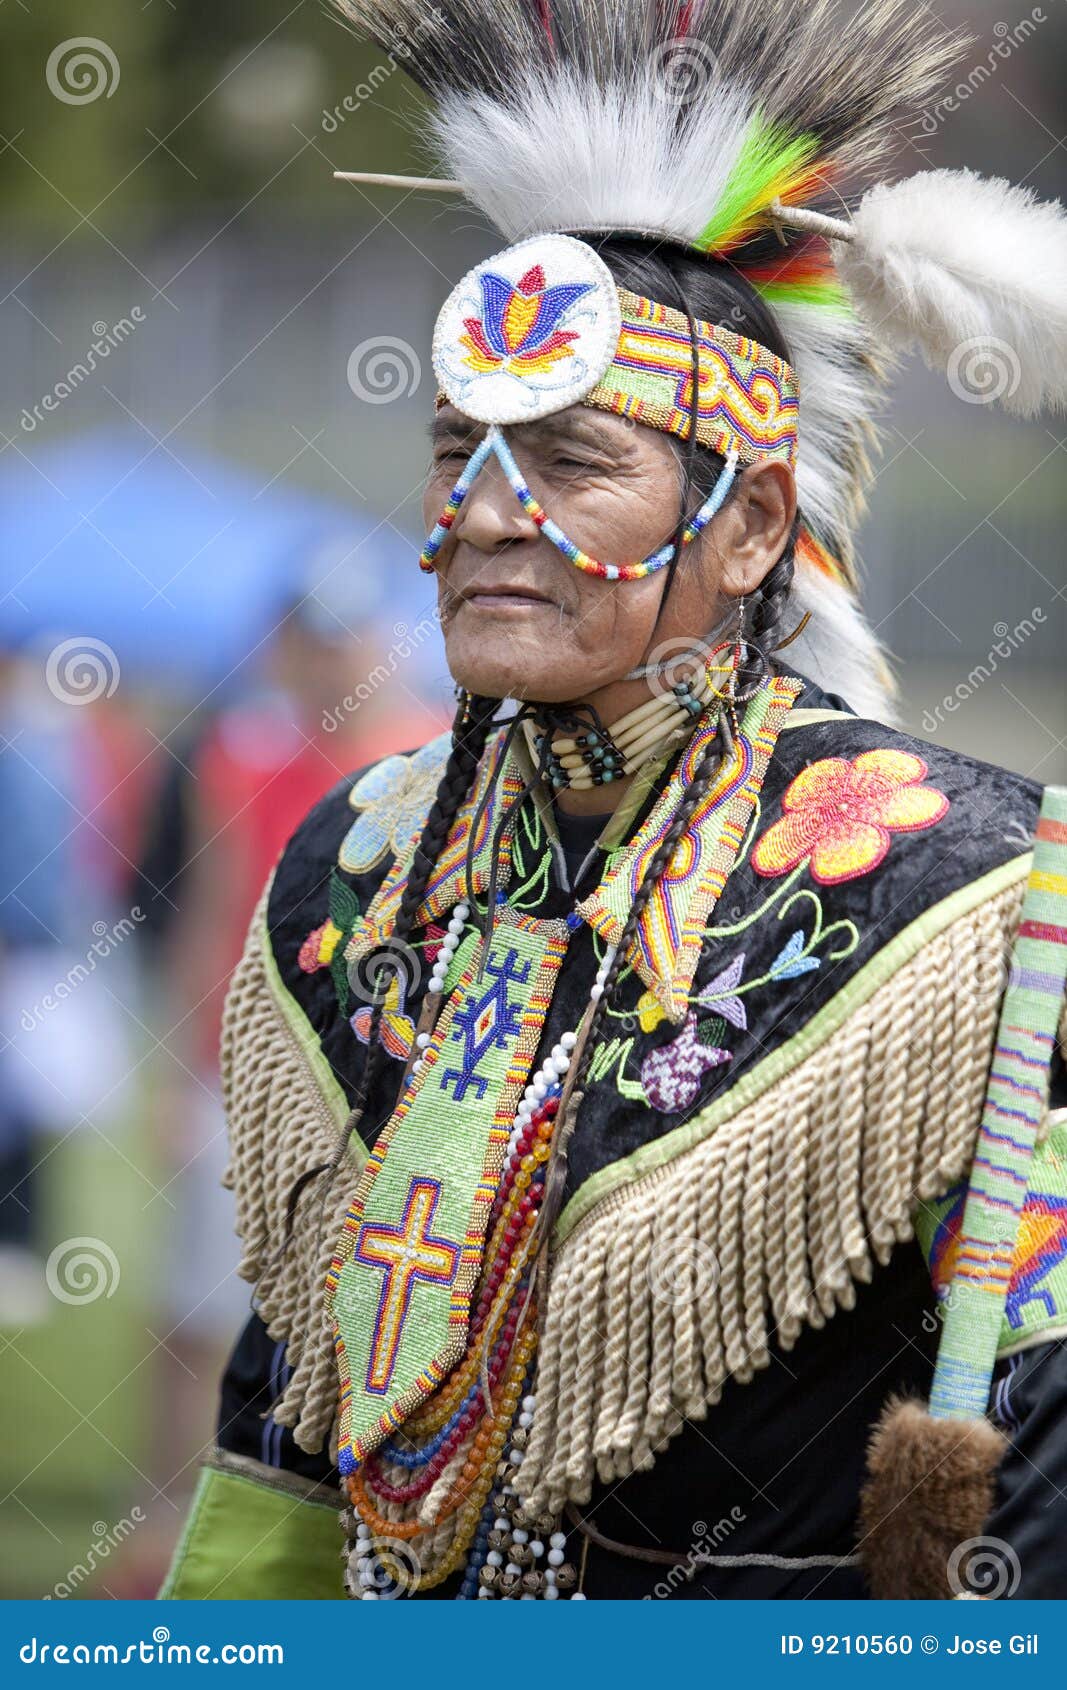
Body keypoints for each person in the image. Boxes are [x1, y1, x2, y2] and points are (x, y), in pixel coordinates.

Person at [160, 0, 1067, 1601]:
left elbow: (1041, 1434)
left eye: (570, 461)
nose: (486, 512)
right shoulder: (359, 868)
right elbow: (295, 1402)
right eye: (460, 448)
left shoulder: (966, 895)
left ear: (750, 524)